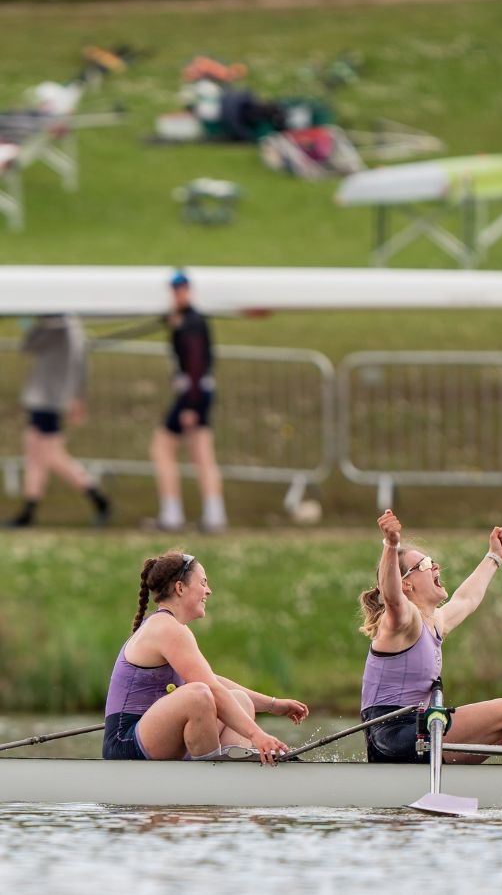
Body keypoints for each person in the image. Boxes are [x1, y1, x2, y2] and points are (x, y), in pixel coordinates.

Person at [359, 510, 502, 765]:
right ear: (406, 584)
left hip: (421, 728)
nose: (435, 565)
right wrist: (391, 545)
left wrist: (494, 556)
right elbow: (391, 597)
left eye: (432, 561)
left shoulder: (434, 622)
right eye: (424, 564)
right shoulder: (402, 621)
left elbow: (467, 599)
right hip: (391, 737)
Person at [103, 549, 309, 763]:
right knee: (198, 695)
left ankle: (231, 770)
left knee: (240, 700)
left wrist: (273, 705)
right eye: (203, 583)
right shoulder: (166, 628)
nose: (208, 591)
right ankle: (211, 773)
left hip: (153, 735)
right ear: (180, 588)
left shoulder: (172, 628)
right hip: (124, 743)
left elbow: (216, 683)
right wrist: (256, 734)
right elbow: (209, 687)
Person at [4, 314, 111, 528]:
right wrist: (78, 396)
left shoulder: (55, 328)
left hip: (46, 400)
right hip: (51, 399)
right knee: (34, 453)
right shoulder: (74, 328)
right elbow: (83, 365)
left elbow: (27, 345)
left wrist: (36, 325)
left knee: (52, 455)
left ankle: (98, 498)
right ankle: (29, 510)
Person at [149, 270, 227, 533]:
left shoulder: (191, 323)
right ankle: (214, 514)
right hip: (199, 392)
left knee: (162, 448)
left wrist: (191, 405)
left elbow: (195, 363)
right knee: (201, 452)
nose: (177, 295)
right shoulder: (189, 320)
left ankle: (172, 513)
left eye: (180, 290)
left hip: (192, 393)